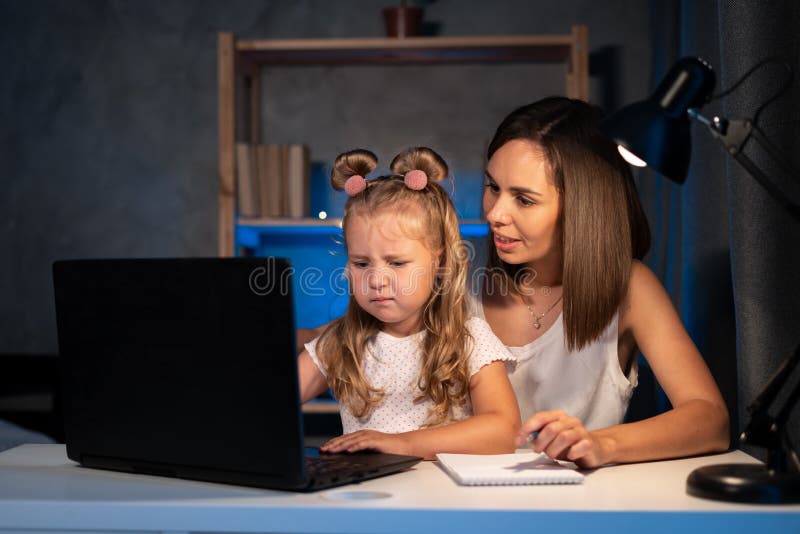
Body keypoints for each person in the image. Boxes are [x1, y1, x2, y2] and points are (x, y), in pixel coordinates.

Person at [476, 96, 729, 468]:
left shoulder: (631, 290)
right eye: (493, 187)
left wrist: (600, 444)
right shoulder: (459, 282)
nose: (495, 213)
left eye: (524, 200)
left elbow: (711, 420)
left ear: (582, 207)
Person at [297, 147, 520, 461]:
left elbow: (504, 430)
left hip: (442, 499)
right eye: (361, 264)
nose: (376, 279)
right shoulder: (340, 343)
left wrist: (401, 443)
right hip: (365, 499)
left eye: (397, 263)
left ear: (439, 261)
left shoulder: (467, 339)